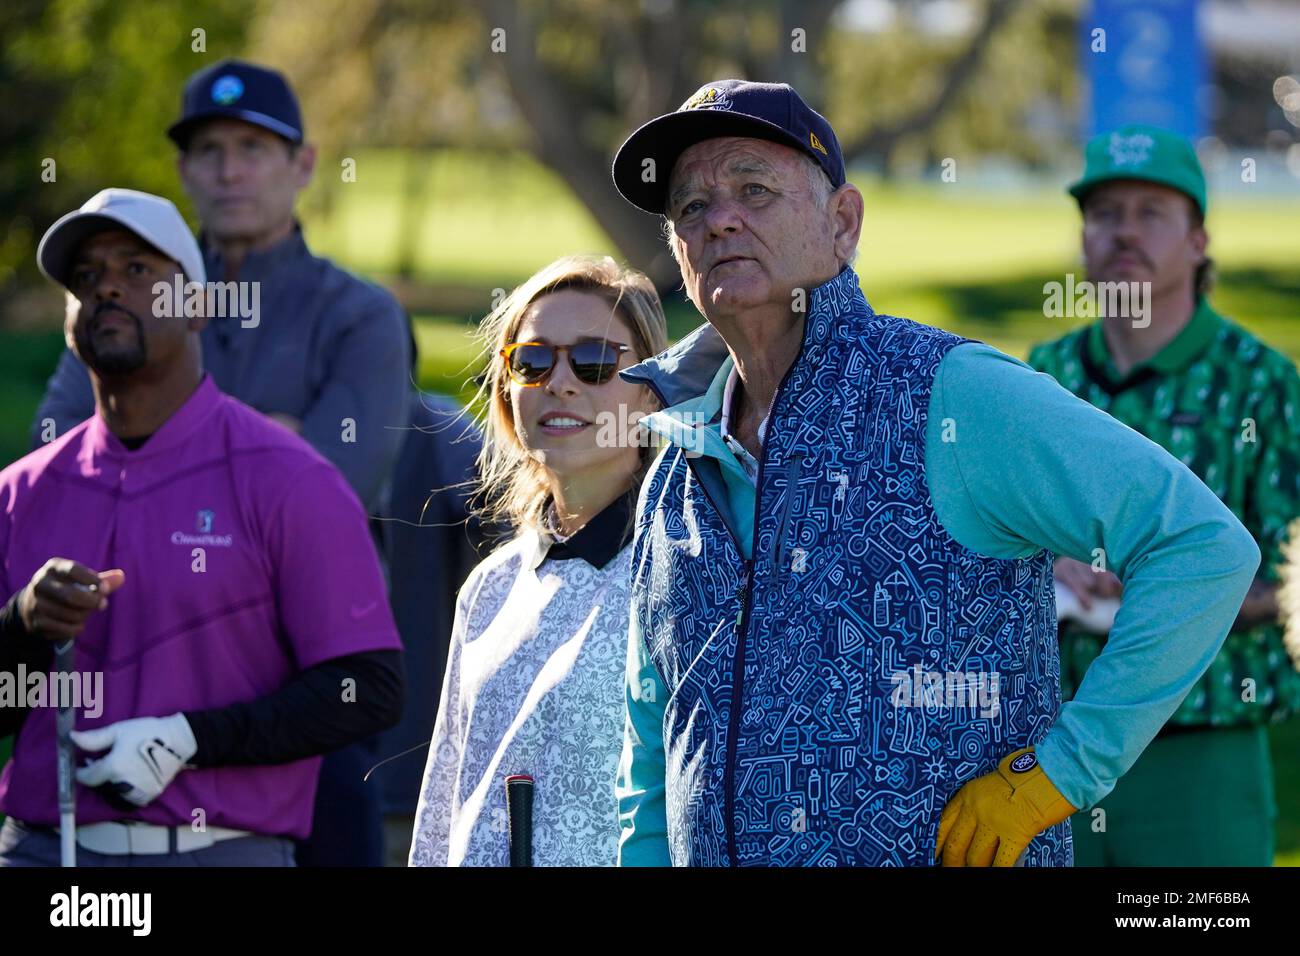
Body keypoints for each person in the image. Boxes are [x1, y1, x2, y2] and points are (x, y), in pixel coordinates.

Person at [609, 79, 1260, 867]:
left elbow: (1201, 546)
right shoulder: (675, 463)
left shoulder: (953, 393)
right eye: (690, 207)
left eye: (754, 188)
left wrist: (1056, 777)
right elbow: (655, 742)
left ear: (842, 223)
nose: (719, 219)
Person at [29, 58, 420, 867]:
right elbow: (63, 470)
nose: (229, 168)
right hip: (130, 690)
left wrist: (165, 461)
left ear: (303, 165)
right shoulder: (122, 305)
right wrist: (261, 446)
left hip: (308, 702)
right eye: (209, 150)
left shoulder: (362, 316)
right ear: (183, 170)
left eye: (253, 147)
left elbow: (332, 490)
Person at [1028, 125, 1300, 865]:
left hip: (1202, 743)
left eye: (1152, 212)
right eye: (1105, 212)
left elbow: (1294, 578)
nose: (1124, 231)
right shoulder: (1041, 378)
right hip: (1051, 736)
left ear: (1199, 240)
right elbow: (980, 537)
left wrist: (1154, 595)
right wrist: (1047, 570)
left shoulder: (1264, 384)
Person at [408, 255, 668, 866]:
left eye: (595, 360)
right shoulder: (489, 586)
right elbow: (443, 807)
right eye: (532, 361)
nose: (560, 382)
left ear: (652, 393)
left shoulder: (682, 571)